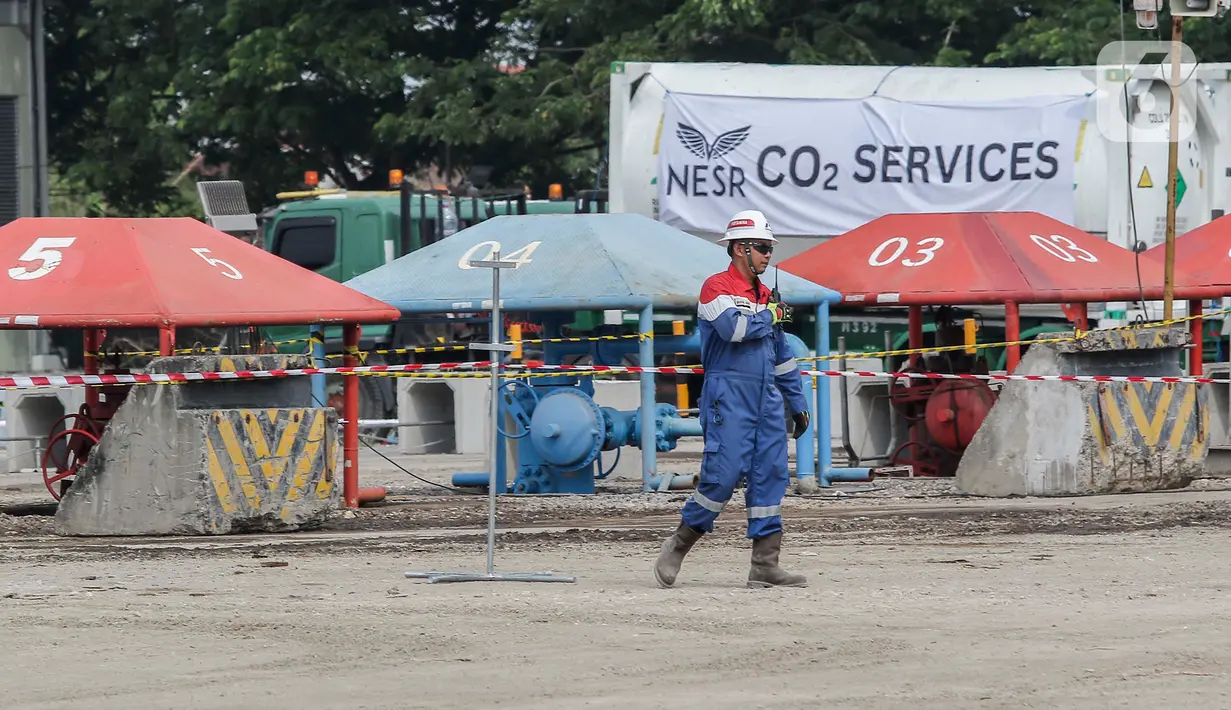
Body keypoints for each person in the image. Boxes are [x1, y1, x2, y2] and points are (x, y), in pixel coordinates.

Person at [653, 209, 811, 589]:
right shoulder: (716, 288)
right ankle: (678, 545)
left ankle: (765, 565)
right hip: (728, 397)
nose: (768, 254)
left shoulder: (765, 297)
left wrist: (797, 402)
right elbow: (734, 329)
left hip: (766, 401)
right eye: (762, 247)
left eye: (770, 248)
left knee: (770, 476)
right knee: (722, 477)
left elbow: (782, 355)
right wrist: (771, 314)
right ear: (740, 248)